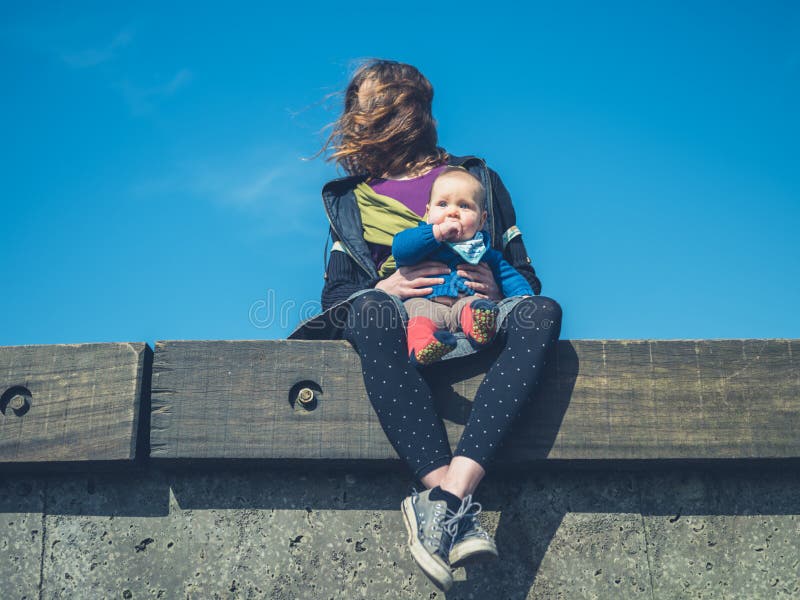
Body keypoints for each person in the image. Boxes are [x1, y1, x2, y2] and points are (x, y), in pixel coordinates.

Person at [289, 59, 562, 591]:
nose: (356, 118)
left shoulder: (476, 179)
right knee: (367, 309)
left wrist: (496, 285)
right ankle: (447, 499)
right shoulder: (351, 201)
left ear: (407, 109)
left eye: (368, 104)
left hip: (477, 319)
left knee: (544, 312)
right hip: (406, 328)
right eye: (357, 107)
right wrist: (384, 290)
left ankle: (446, 496)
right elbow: (337, 298)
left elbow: (525, 274)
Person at [393, 166, 534, 366]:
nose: (452, 212)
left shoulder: (482, 251)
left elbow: (508, 276)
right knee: (417, 314)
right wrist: (437, 233)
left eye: (464, 206)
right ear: (427, 212)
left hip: (463, 303)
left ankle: (480, 329)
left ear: (481, 220)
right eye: (442, 204)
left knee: (474, 306)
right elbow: (400, 250)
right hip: (427, 303)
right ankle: (423, 347)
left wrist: (524, 297)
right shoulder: (423, 241)